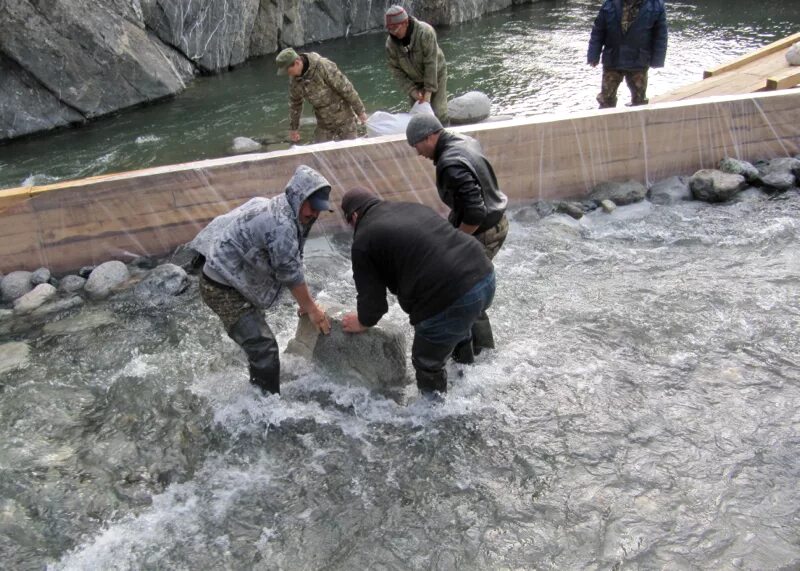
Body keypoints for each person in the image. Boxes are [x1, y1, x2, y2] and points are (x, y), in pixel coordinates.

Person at [339, 188, 496, 396]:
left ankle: (434, 416)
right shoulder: (410, 207)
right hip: (484, 275)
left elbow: (374, 304)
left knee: (426, 361)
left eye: (350, 223)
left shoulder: (363, 240)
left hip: (450, 296)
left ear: (355, 216)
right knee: (456, 328)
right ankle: (468, 381)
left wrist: (362, 321)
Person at [197, 165, 333, 395]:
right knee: (265, 348)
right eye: (312, 207)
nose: (314, 214)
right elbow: (290, 271)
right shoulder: (280, 224)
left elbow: (292, 261)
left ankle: (257, 382)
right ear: (298, 197)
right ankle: (266, 409)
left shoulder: (286, 209)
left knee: (257, 340)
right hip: (221, 287)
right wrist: (310, 308)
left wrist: (304, 303)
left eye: (319, 209)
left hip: (235, 280)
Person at [405, 113, 508, 361]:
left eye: (417, 145)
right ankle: (474, 350)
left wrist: (455, 243)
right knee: (466, 288)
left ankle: (481, 354)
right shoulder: (464, 141)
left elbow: (474, 213)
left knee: (464, 290)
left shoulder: (450, 163)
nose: (418, 153)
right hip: (498, 221)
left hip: (483, 231)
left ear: (430, 136)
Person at [275, 47, 368, 143]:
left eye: (288, 70)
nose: (288, 74)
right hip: (323, 124)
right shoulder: (295, 80)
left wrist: (360, 111)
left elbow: (346, 88)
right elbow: (295, 104)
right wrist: (294, 128)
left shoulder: (322, 66)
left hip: (344, 120)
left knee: (351, 151)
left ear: (297, 63)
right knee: (319, 151)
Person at [587, 0, 668, 108]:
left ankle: (638, 123)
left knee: (639, 101)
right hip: (613, 60)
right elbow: (598, 32)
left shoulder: (656, 5)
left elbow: (661, 36)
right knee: (606, 99)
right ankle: (605, 122)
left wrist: (657, 60)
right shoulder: (609, 4)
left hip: (639, 61)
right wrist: (593, 56)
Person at [384, 5, 449, 123]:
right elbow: (396, 71)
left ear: (405, 23)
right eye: (389, 29)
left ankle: (445, 134)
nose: (393, 33)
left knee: (439, 112)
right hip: (414, 80)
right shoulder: (391, 44)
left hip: (436, 74)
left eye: (395, 28)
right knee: (418, 118)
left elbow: (431, 63)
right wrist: (412, 91)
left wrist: (428, 91)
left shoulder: (425, 32)